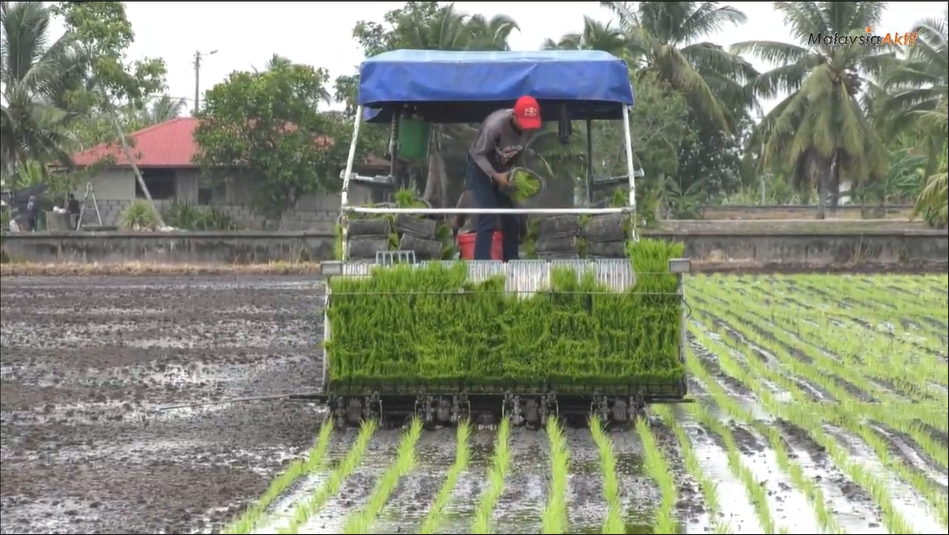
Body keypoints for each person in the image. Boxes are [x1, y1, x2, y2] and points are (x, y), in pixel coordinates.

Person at [467, 95, 542, 261]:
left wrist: (518, 174)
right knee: (489, 214)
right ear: (514, 115)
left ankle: (512, 262)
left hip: (505, 168)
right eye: (523, 122)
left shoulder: (529, 128)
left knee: (512, 217)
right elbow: (479, 155)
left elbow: (517, 152)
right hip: (480, 164)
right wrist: (495, 175)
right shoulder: (495, 125)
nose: (526, 127)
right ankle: (481, 265)